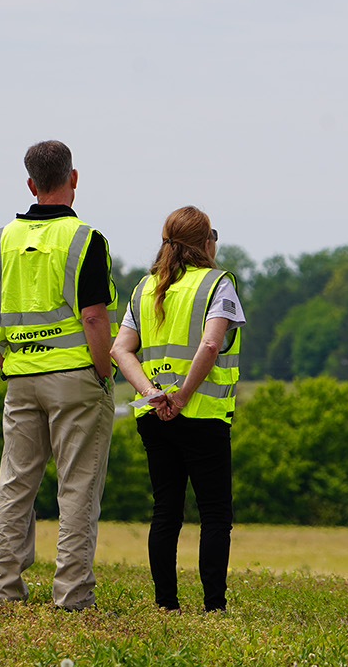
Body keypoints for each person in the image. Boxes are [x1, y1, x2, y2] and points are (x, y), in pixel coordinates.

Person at [0, 140, 118, 610]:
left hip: (20, 376)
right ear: (73, 179)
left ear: (31, 184)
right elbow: (94, 317)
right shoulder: (86, 239)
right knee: (77, 485)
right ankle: (72, 595)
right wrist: (103, 373)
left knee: (16, 483)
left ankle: (5, 590)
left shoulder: (0, 240)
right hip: (75, 376)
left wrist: (9, 361)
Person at [111, 206, 243, 612]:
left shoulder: (144, 288)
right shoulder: (217, 285)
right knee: (215, 514)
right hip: (202, 416)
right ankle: (213, 606)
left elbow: (120, 349)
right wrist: (183, 396)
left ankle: (166, 603)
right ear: (207, 242)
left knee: (166, 511)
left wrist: (153, 394)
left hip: (155, 419)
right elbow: (209, 344)